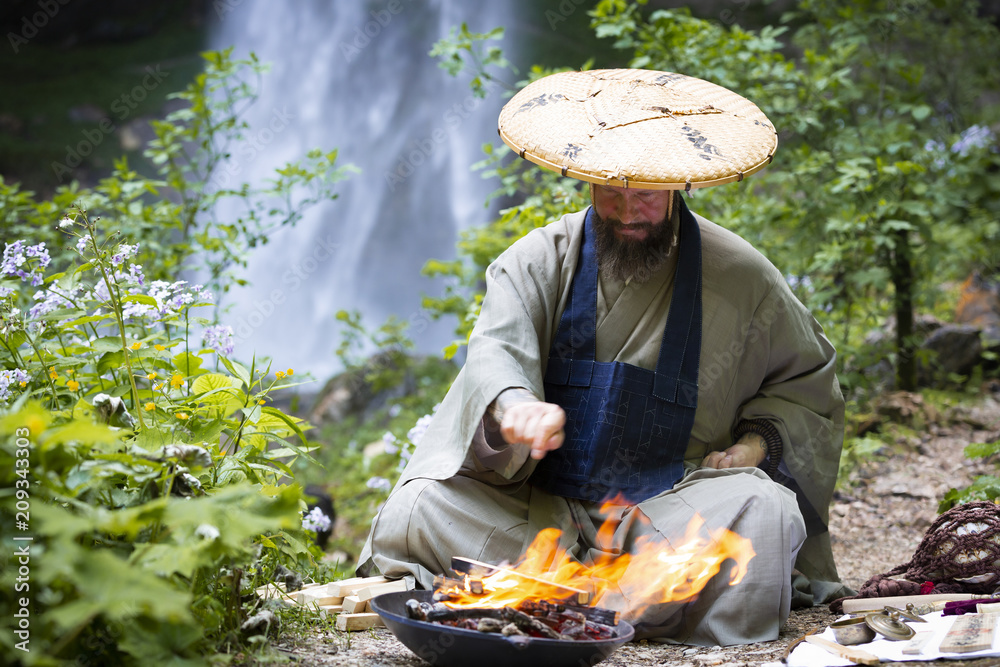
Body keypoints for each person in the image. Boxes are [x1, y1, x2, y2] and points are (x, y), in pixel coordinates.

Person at [358, 69, 851, 646]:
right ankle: (620, 605)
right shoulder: (538, 259)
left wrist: (755, 443)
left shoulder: (742, 277)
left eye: (644, 191)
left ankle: (547, 603)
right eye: (610, 191)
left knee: (766, 510)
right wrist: (514, 405)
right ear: (587, 181)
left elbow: (806, 385)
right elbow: (496, 349)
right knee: (415, 506)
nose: (627, 210)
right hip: (538, 514)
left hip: (666, 518)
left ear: (676, 183)